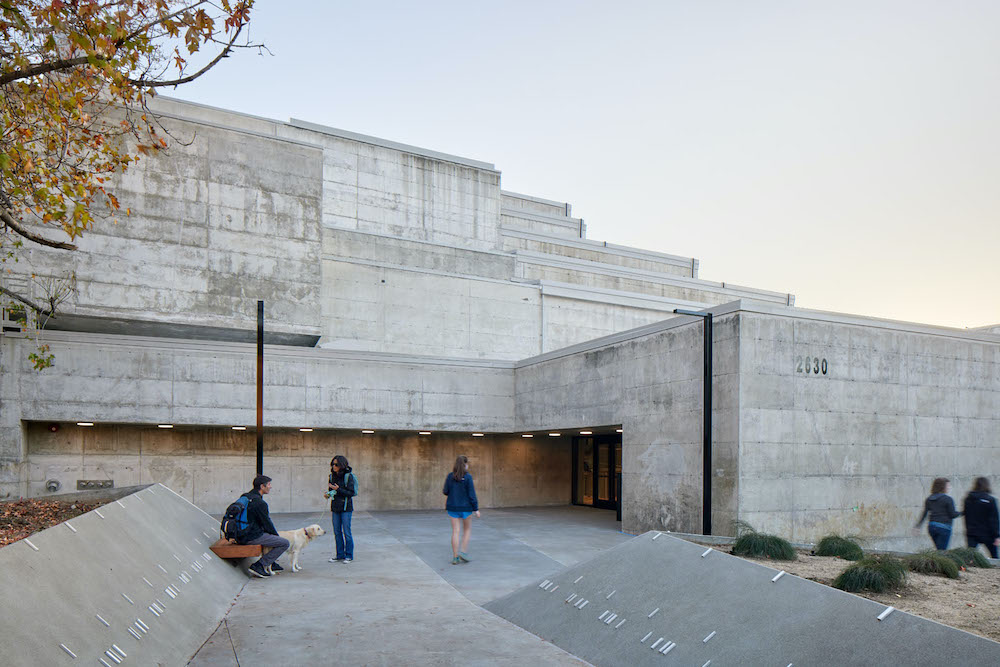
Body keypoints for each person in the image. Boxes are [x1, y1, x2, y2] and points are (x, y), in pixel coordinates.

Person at [242, 475, 289, 578]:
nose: (270, 487)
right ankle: (259, 565)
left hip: (241, 534)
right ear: (262, 486)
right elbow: (267, 523)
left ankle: (271, 562)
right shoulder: (260, 503)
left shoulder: (246, 496)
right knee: (284, 543)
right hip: (250, 536)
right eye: (269, 484)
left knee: (269, 536)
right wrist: (277, 536)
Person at [443, 454, 480, 565]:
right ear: (465, 465)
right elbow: (471, 494)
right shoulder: (468, 477)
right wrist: (476, 509)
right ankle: (463, 552)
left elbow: (445, 491)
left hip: (452, 507)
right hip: (466, 508)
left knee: (455, 531)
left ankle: (455, 557)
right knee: (467, 530)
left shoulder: (450, 476)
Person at [915, 477, 961, 550]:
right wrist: (963, 513)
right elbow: (953, 514)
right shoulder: (948, 499)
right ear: (942, 487)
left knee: (939, 550)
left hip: (932, 527)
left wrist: (918, 526)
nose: (949, 487)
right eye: (948, 486)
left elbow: (924, 514)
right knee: (942, 552)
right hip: (944, 527)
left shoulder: (929, 499)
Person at [327, 455, 357, 563]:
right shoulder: (331, 476)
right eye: (333, 464)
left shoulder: (348, 476)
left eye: (336, 464)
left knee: (347, 532)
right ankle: (339, 555)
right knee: (337, 532)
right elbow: (331, 491)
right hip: (335, 507)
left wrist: (338, 489)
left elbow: (351, 493)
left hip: (346, 508)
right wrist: (328, 494)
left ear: (342, 465)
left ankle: (348, 555)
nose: (334, 466)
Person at [963, 477, 1000, 559]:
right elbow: (994, 519)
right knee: (995, 557)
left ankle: (967, 571)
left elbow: (966, 516)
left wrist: (968, 530)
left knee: (969, 558)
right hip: (988, 534)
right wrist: (996, 535)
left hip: (972, 532)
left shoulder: (968, 499)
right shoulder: (990, 500)